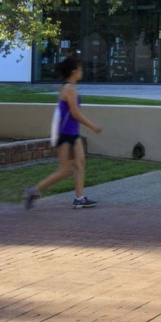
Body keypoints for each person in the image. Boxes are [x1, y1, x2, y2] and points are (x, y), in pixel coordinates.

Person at [23, 56, 103, 209]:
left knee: (80, 163)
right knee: (65, 170)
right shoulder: (68, 89)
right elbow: (75, 113)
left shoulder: (71, 88)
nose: (82, 72)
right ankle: (33, 190)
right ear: (74, 72)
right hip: (65, 134)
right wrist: (93, 126)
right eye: (80, 69)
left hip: (73, 133)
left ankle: (79, 198)